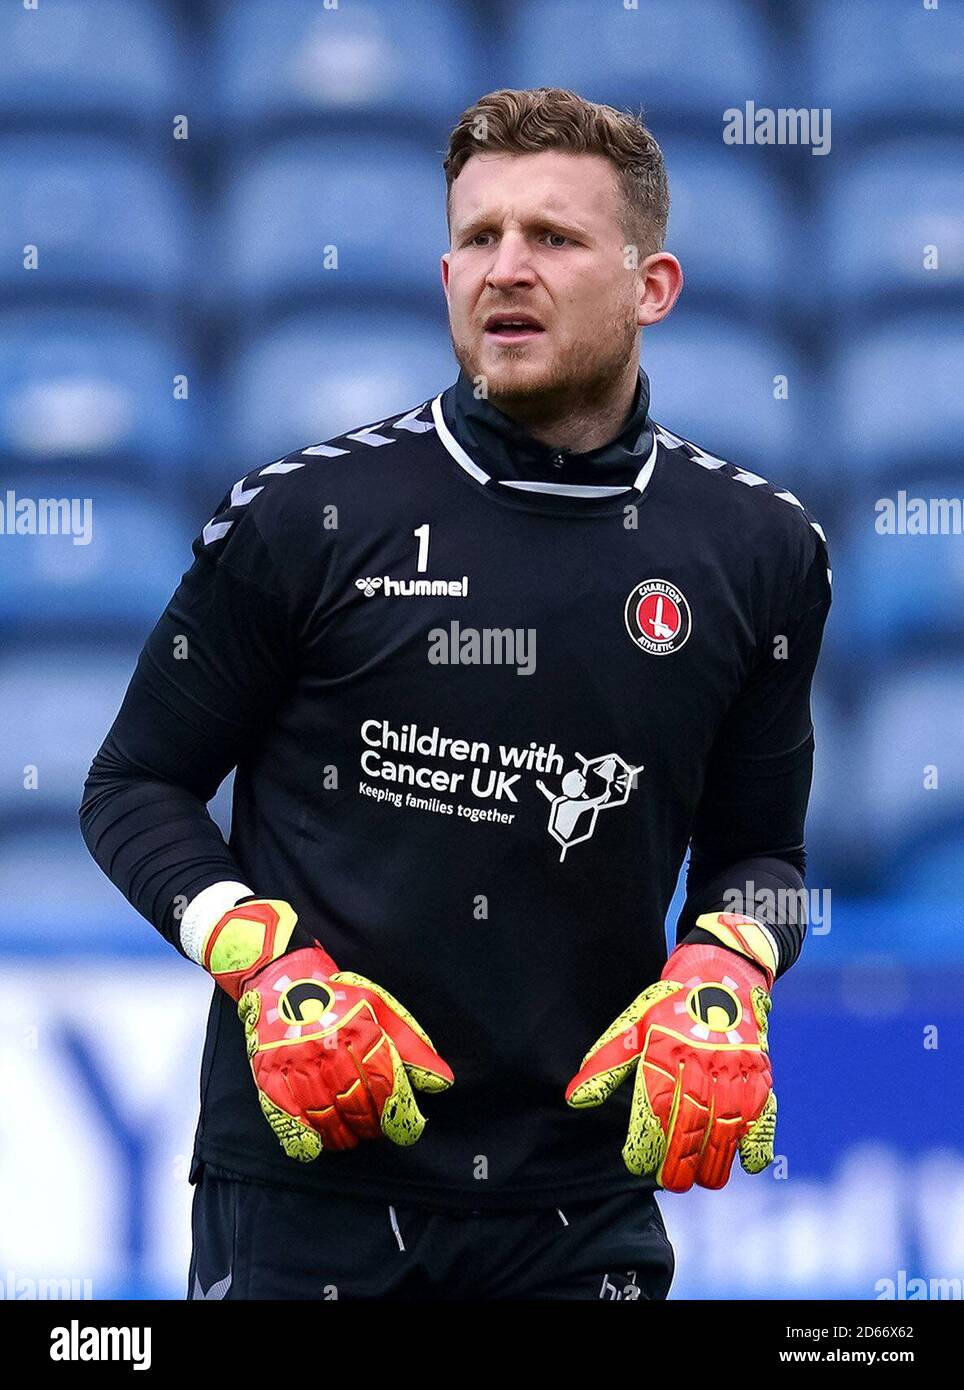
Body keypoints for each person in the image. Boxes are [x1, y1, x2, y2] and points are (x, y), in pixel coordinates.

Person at [80, 86, 831, 1301]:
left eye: (553, 237)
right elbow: (134, 784)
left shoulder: (760, 550)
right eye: (479, 238)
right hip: (309, 1187)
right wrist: (257, 959)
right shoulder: (305, 517)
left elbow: (763, 855)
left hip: (580, 1209)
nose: (505, 268)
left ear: (651, 286)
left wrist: (729, 966)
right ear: (445, 275)